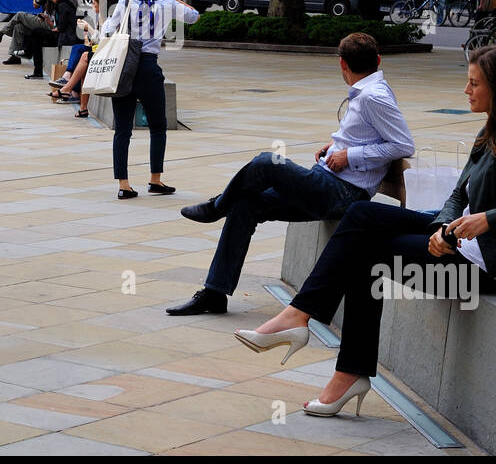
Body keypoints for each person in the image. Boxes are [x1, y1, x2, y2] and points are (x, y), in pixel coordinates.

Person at [235, 45, 496, 417]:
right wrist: (442, 227)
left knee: (366, 257)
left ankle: (337, 360)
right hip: (461, 240)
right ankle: (303, 319)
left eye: (475, 83)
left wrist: (489, 218)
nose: (466, 90)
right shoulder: (492, 129)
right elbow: (459, 192)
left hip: (487, 267)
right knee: (362, 213)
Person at [165, 33, 416, 316]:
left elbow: (403, 144)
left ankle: (216, 207)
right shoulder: (368, 90)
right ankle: (214, 293)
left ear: (342, 64)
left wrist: (349, 155)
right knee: (246, 204)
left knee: (266, 163)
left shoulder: (374, 96)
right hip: (329, 184)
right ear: (378, 60)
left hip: (342, 193)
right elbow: (371, 135)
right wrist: (337, 145)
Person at [101, 0, 199, 199]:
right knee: (158, 125)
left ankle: (123, 185)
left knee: (122, 129)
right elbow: (194, 16)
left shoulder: (125, 1)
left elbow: (106, 31)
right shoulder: (167, 5)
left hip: (123, 66)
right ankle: (155, 179)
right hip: (147, 67)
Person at [24, 0, 78, 80]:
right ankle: (36, 68)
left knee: (36, 32)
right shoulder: (61, 5)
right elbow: (58, 26)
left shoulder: (62, 5)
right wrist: (48, 21)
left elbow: (61, 27)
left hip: (66, 37)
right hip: (62, 35)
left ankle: (30, 57)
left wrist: (53, 29)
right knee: (35, 37)